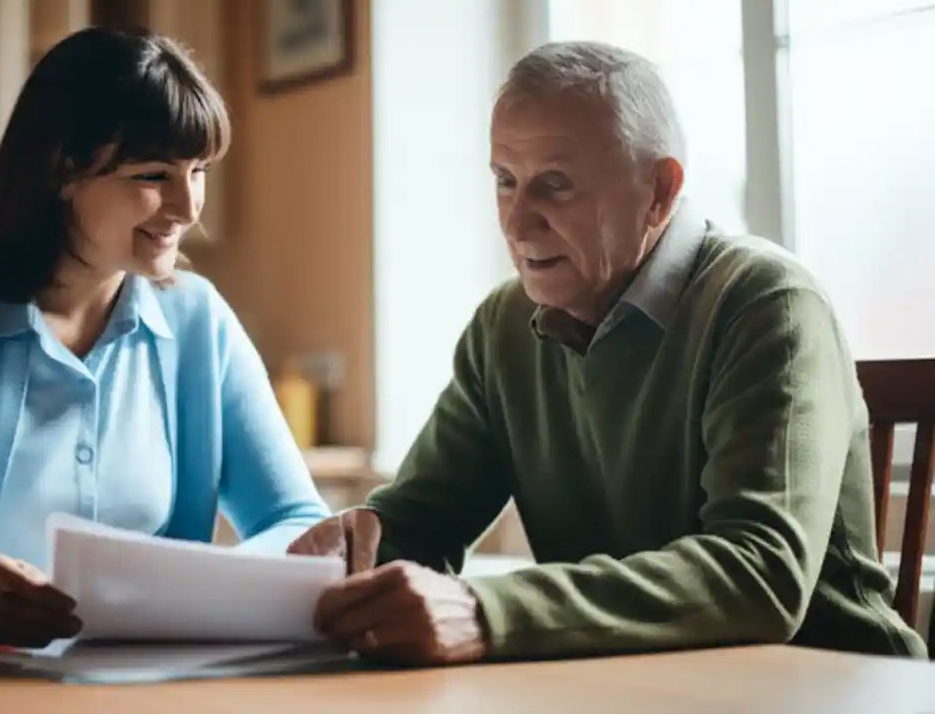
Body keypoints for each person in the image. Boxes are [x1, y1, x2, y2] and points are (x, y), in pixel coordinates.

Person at [289, 40, 928, 664]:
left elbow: (760, 575)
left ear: (660, 191)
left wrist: (488, 613)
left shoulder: (766, 302)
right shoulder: (503, 326)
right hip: (626, 689)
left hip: (833, 684)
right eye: (506, 181)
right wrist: (357, 546)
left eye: (556, 185)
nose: (516, 222)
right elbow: (421, 524)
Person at [0, 27, 330, 648]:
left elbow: (297, 521)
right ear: (61, 171)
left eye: (199, 171)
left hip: (141, 688)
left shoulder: (197, 320)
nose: (188, 207)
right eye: (155, 174)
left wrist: (205, 587)